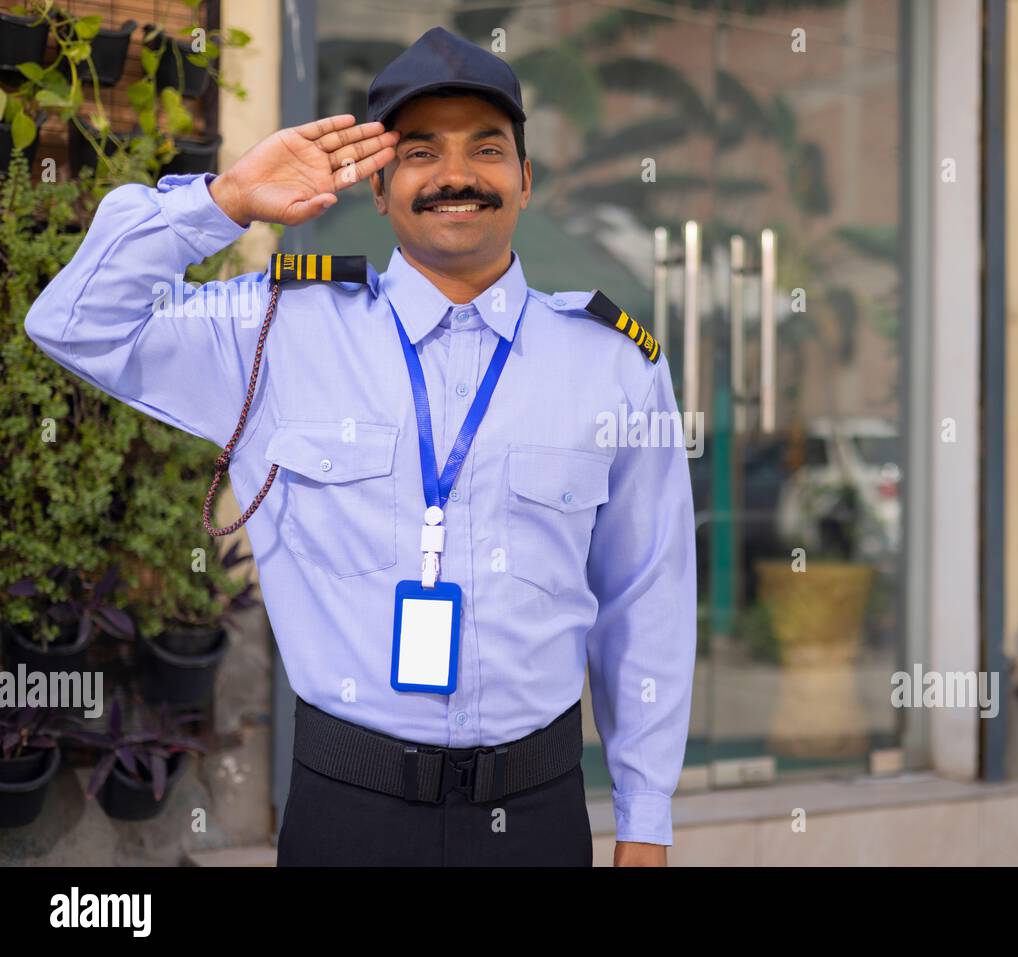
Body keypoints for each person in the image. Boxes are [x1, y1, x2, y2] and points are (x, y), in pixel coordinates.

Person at [24, 25, 697, 867]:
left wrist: (646, 816)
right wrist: (224, 201)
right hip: (349, 817)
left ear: (525, 181)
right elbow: (72, 323)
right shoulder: (275, 332)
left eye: (486, 150)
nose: (456, 175)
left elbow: (647, 600)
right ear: (379, 188)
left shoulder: (614, 366)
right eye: (421, 152)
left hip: (535, 816)